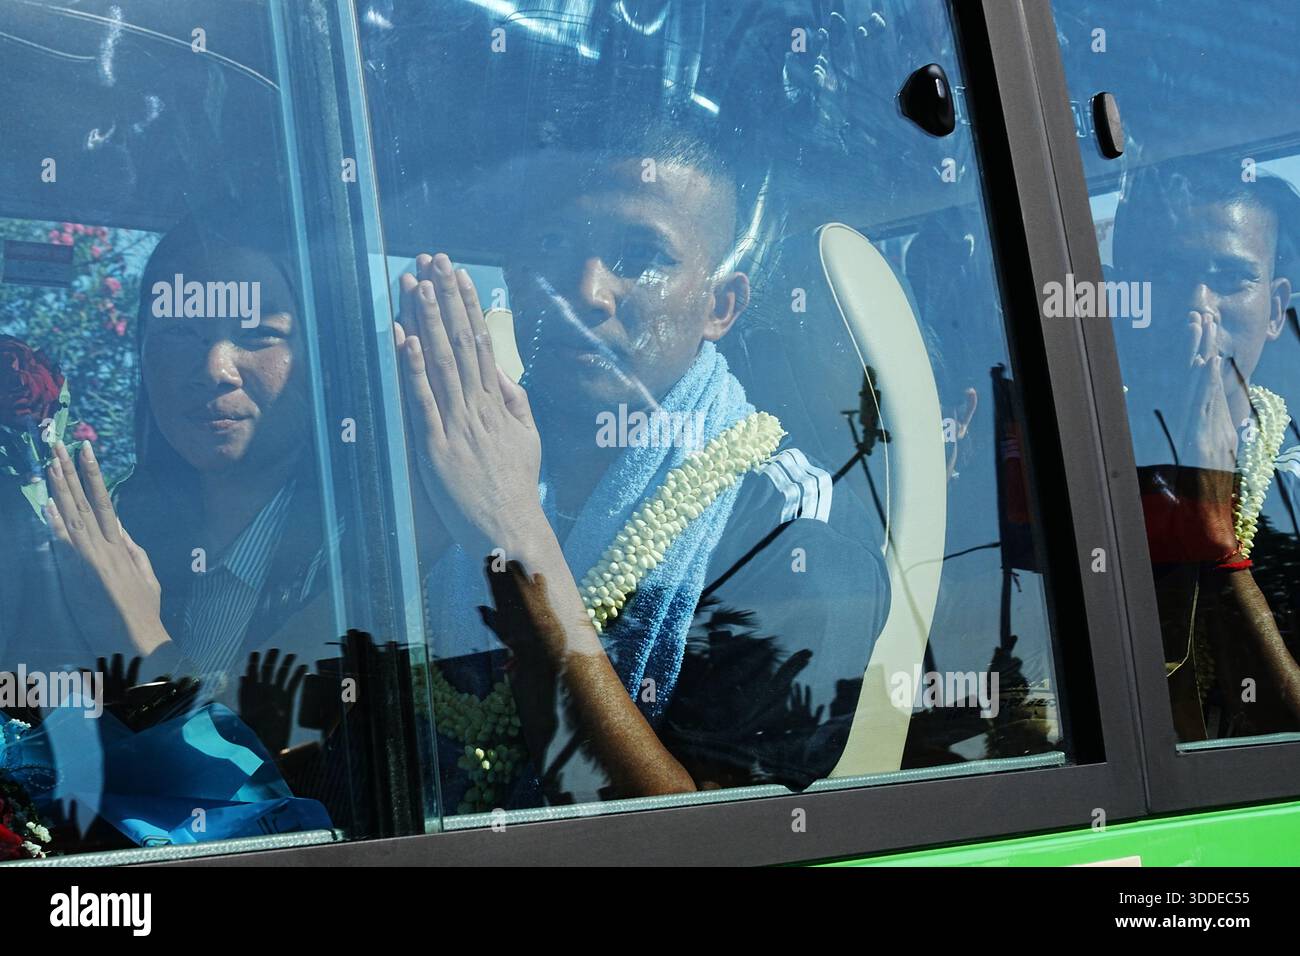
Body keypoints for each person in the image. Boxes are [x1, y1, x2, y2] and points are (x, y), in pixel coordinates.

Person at [395, 122, 890, 813]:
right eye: (553, 244)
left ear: (720, 305)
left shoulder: (788, 528)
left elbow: (707, 840)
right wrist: (405, 544)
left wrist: (513, 536)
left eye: (642, 255)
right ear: (515, 277)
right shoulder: (442, 457)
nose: (587, 290)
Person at [34, 208, 345, 844]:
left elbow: (266, 805)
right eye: (179, 334)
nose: (214, 367)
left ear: (321, 357)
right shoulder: (101, 534)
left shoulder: (362, 558)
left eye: (258, 333)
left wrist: (135, 635)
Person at [1111, 157, 1300, 738]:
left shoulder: (1290, 484)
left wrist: (1223, 548)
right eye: (1169, 274)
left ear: (1274, 310)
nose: (1199, 307)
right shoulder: (1080, 456)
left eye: (1230, 278)